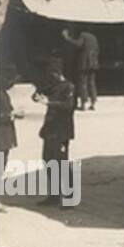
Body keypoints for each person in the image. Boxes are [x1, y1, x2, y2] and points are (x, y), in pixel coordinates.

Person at [34, 57, 76, 207]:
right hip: (50, 129)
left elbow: (68, 106)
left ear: (57, 73)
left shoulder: (68, 87)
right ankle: (53, 195)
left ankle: (70, 197)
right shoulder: (52, 86)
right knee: (48, 160)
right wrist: (38, 94)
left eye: (51, 74)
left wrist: (49, 102)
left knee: (62, 163)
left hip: (62, 130)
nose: (49, 77)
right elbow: (36, 95)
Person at [62, 25, 100, 110]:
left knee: (83, 82)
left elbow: (79, 44)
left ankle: (84, 102)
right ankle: (94, 102)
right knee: (91, 83)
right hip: (94, 63)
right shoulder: (94, 37)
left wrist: (67, 38)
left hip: (84, 63)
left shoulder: (83, 35)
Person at [0, 66, 19, 156]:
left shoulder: (2, 93)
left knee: (1, 163)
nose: (11, 85)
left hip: (4, 137)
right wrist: (11, 115)